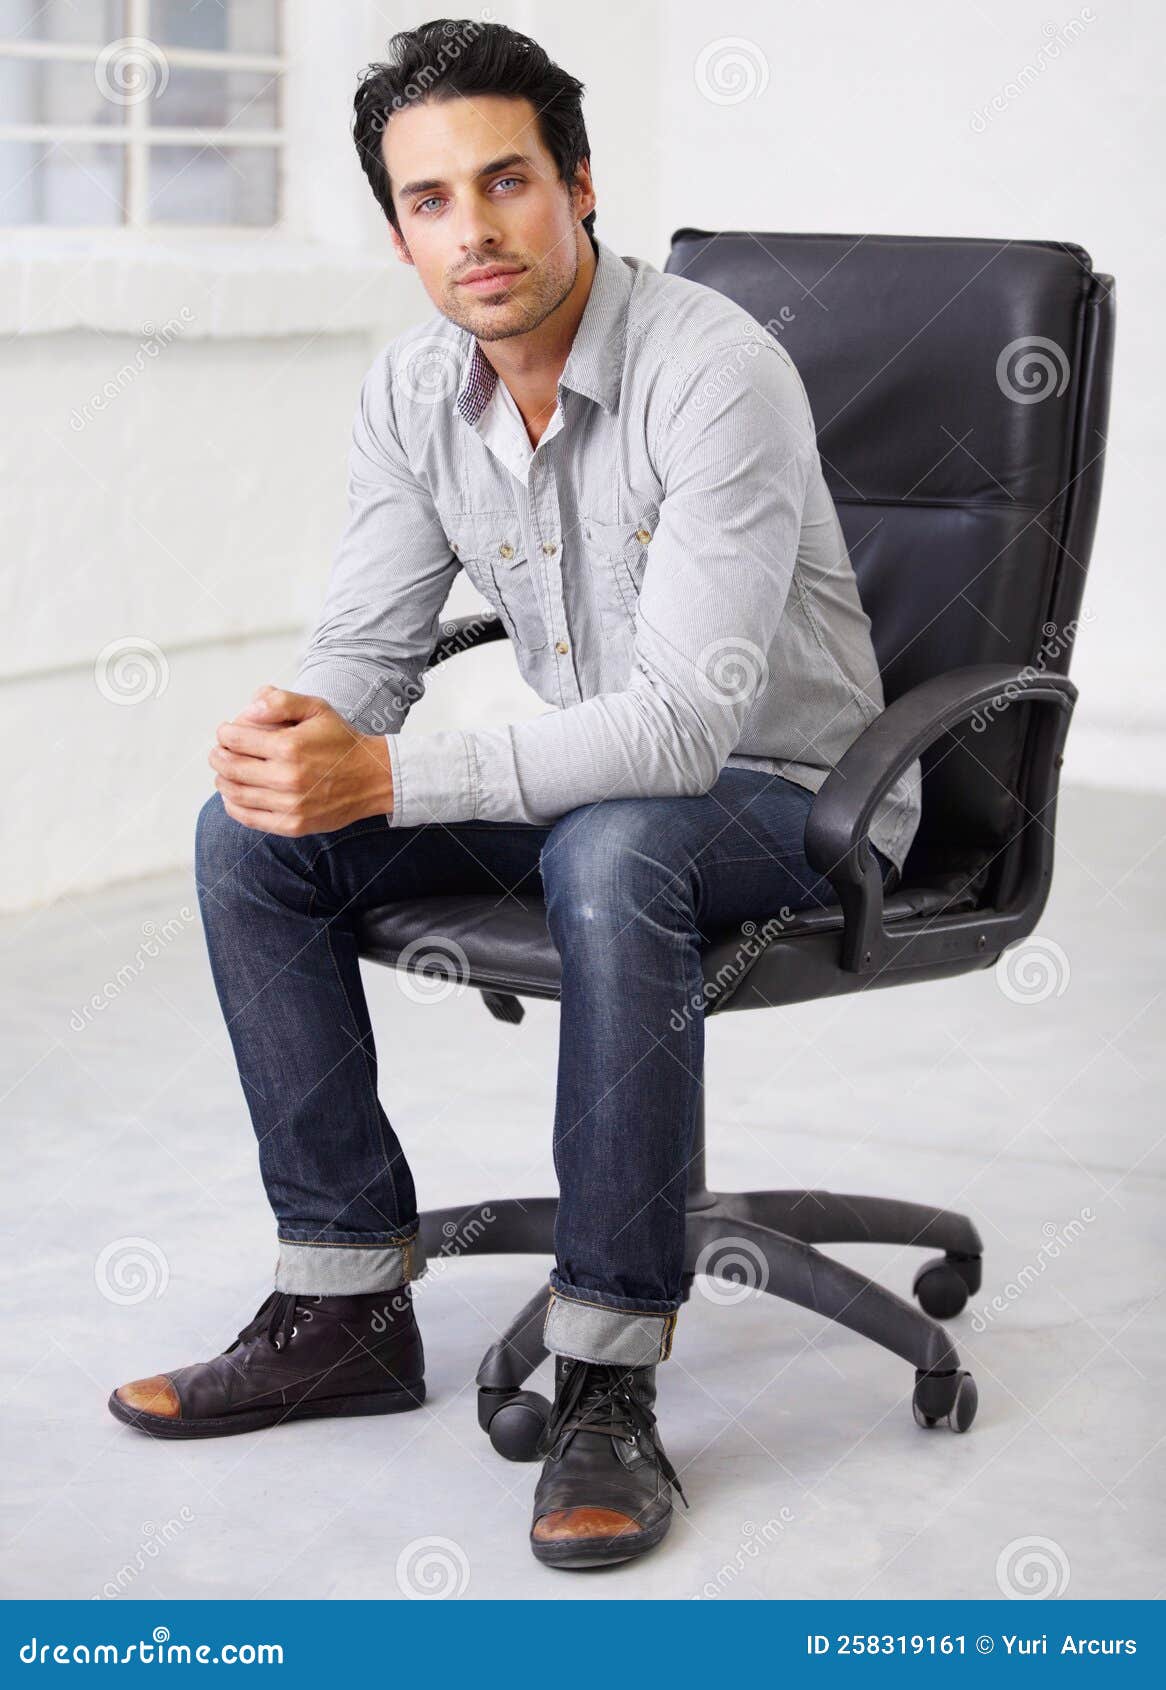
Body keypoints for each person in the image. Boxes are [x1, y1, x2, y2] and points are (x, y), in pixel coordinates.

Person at [108, 17, 921, 1572]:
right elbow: (366, 641)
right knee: (254, 842)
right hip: (600, 797)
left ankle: (606, 1377)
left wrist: (395, 768)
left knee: (614, 848)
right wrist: (305, 735)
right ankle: (341, 1303)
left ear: (580, 187)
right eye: (429, 200)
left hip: (802, 799)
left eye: (505, 182)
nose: (473, 231)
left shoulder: (712, 371)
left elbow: (684, 729)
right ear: (398, 227)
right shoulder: (417, 391)